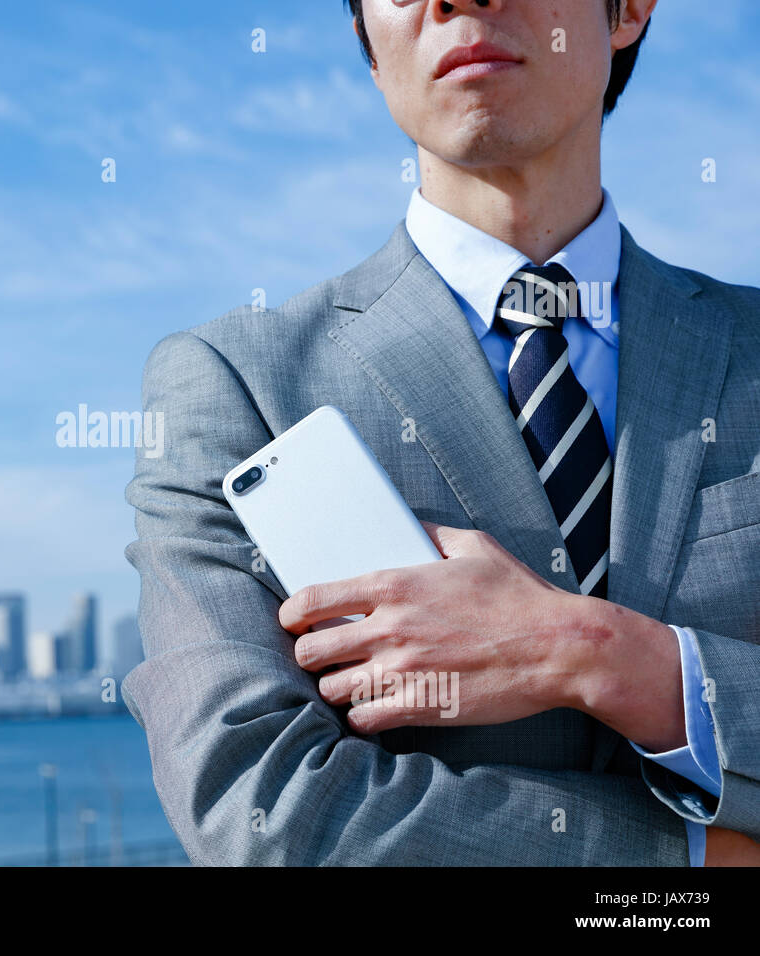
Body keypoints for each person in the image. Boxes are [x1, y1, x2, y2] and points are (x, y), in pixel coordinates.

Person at [123, 0, 760, 865]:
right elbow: (258, 805)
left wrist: (593, 652)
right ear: (365, 41)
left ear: (630, 9)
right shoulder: (237, 386)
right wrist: (694, 868)